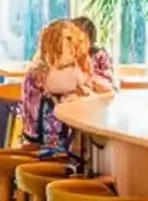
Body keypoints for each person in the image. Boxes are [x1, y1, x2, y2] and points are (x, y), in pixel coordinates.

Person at [20, 20, 111, 149]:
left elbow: (105, 87)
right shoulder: (39, 72)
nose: (74, 54)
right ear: (52, 48)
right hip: (41, 146)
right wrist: (87, 79)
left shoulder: (62, 70)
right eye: (69, 48)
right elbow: (74, 80)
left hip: (58, 143)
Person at [72, 16, 117, 92]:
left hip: (98, 91)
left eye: (81, 39)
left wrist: (90, 78)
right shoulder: (67, 56)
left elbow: (109, 80)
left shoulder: (100, 55)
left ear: (91, 40)